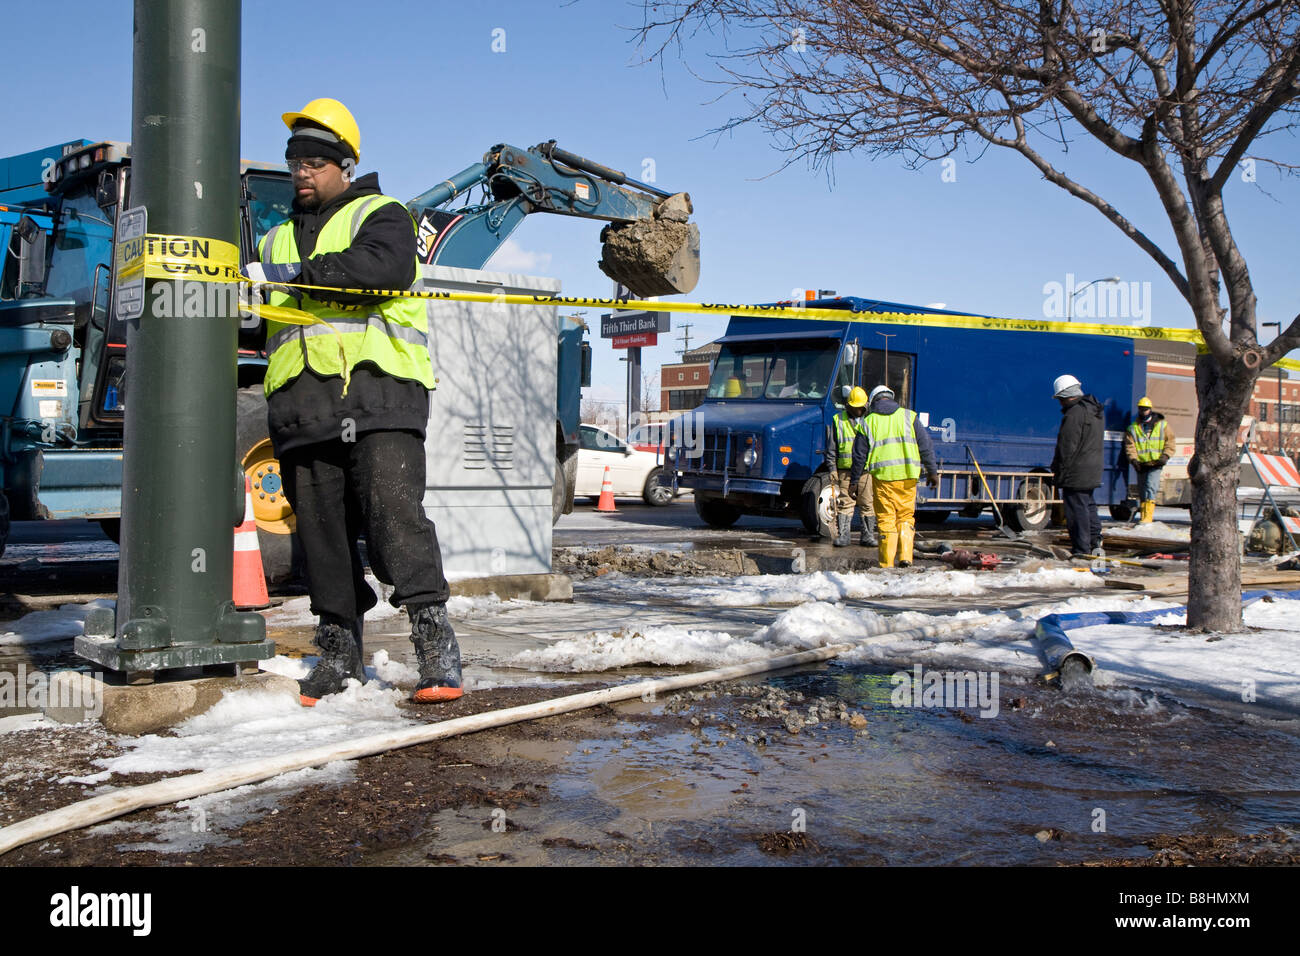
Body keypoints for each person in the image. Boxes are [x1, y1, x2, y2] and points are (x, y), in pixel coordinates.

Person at [247, 98, 461, 707]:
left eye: (316, 162)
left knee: (396, 520)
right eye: (296, 164)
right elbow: (263, 323)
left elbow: (382, 269)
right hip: (301, 408)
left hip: (379, 398)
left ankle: (435, 648)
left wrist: (289, 276)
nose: (302, 174)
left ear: (346, 166)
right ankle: (338, 655)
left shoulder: (383, 214)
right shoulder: (273, 238)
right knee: (321, 538)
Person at [848, 385, 938, 568]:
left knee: (886, 519)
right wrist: (932, 471)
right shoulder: (909, 417)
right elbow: (925, 446)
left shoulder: (868, 422)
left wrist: (854, 481)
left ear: (872, 401)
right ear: (892, 398)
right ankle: (905, 557)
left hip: (883, 479)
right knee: (905, 516)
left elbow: (859, 456)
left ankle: (887, 563)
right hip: (908, 478)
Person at [1050, 374, 1104, 557]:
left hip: (1076, 471)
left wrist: (1058, 470)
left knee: (1076, 511)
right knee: (1088, 506)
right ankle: (1095, 542)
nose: (1060, 404)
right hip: (1092, 469)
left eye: (1060, 399)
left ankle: (1081, 550)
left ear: (1066, 396)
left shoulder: (1074, 414)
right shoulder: (1094, 410)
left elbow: (1067, 446)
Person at [825, 386, 876, 547]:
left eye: (861, 407)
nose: (859, 411)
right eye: (855, 408)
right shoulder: (838, 420)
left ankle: (867, 536)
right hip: (846, 471)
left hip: (866, 471)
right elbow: (831, 447)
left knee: (867, 503)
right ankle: (844, 536)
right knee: (845, 503)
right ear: (848, 406)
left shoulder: (871, 421)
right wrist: (832, 468)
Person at [1123, 396, 1174, 523]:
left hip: (1156, 463)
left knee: (1150, 487)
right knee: (1142, 490)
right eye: (1141, 409)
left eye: (1145, 409)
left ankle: (1147, 517)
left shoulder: (1162, 426)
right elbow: (1130, 446)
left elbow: (1170, 442)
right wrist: (1133, 460)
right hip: (1141, 464)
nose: (1143, 412)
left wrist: (1165, 456)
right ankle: (1143, 516)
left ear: (1150, 410)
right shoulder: (1133, 428)